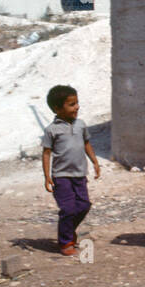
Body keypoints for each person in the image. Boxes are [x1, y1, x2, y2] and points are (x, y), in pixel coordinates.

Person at [42, 85, 100, 255]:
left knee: (84, 205)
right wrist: (47, 176)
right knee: (68, 209)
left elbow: (87, 144)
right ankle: (65, 241)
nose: (77, 107)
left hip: (80, 174)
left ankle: (67, 230)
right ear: (57, 108)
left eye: (77, 103)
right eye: (72, 104)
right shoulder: (51, 130)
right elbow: (46, 153)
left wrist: (95, 162)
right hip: (61, 176)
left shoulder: (81, 125)